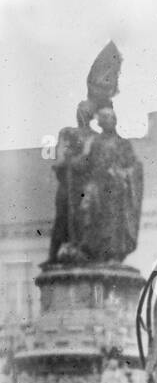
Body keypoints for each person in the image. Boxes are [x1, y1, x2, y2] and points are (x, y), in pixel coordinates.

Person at [72, 104, 143, 262]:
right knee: (90, 215)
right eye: (103, 119)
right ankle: (93, 251)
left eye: (109, 119)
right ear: (100, 123)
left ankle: (113, 254)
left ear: (114, 121)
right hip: (97, 188)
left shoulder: (123, 144)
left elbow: (133, 166)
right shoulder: (94, 142)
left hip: (115, 190)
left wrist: (121, 173)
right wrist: (76, 161)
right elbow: (86, 162)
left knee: (114, 223)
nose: (107, 122)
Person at [46, 100, 97, 266]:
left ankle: (86, 254)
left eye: (86, 111)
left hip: (85, 186)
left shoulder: (95, 137)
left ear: (91, 116)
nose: (81, 114)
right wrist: (73, 161)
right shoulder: (67, 133)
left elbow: (96, 164)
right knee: (62, 218)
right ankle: (54, 255)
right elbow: (60, 158)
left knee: (85, 219)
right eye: (80, 110)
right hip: (67, 183)